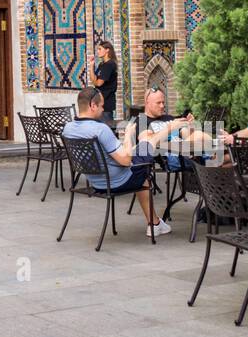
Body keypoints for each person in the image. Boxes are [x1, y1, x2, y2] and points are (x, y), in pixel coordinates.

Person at [63, 86, 171, 237]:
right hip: (116, 182)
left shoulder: (67, 129)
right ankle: (155, 224)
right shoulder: (101, 129)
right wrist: (127, 134)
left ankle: (155, 223)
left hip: (95, 182)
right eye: (101, 106)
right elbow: (126, 161)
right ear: (92, 106)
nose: (103, 109)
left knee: (140, 157)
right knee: (147, 151)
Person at [125, 87, 221, 171]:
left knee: (226, 159)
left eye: (163, 102)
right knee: (201, 136)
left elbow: (186, 136)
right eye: (158, 103)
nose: (162, 106)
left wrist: (189, 125)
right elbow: (147, 142)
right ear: (147, 103)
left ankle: (214, 156)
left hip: (187, 153)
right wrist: (169, 129)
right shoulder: (142, 121)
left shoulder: (169, 118)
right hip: (171, 158)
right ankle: (214, 153)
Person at [90, 40, 118, 121]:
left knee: (106, 130)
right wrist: (91, 66)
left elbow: (98, 83)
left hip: (106, 104)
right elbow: (93, 80)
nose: (97, 51)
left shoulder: (110, 65)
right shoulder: (102, 64)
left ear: (107, 50)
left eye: (100, 49)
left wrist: (95, 81)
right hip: (99, 103)